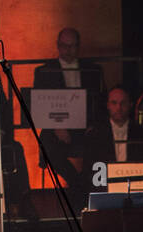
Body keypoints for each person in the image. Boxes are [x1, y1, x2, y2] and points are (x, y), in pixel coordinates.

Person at [32, 27, 107, 195]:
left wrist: (93, 124)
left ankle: (89, 189)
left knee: (101, 141)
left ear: (78, 47)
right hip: (58, 128)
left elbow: (102, 101)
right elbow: (40, 106)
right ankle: (79, 186)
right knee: (46, 142)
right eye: (65, 46)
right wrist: (56, 127)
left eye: (72, 46)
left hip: (86, 127)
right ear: (58, 46)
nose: (68, 50)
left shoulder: (93, 70)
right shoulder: (44, 71)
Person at [83, 86, 143, 172]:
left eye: (123, 103)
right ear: (108, 105)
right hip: (104, 183)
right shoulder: (95, 134)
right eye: (114, 103)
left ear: (130, 105)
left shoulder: (142, 134)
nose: (119, 108)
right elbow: (89, 170)